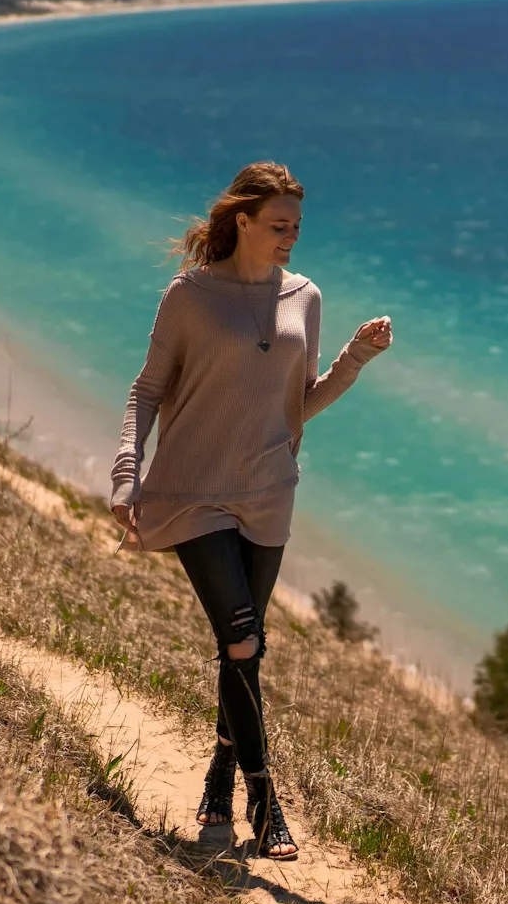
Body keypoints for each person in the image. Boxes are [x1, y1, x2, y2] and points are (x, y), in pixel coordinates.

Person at [109, 161, 393, 860]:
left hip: (269, 490)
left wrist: (356, 359)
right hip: (194, 490)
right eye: (278, 224)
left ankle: (218, 774)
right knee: (240, 640)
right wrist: (126, 472)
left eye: (297, 225)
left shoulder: (305, 296)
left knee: (244, 648)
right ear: (242, 221)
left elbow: (297, 405)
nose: (290, 236)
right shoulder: (190, 295)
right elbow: (147, 389)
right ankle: (266, 800)